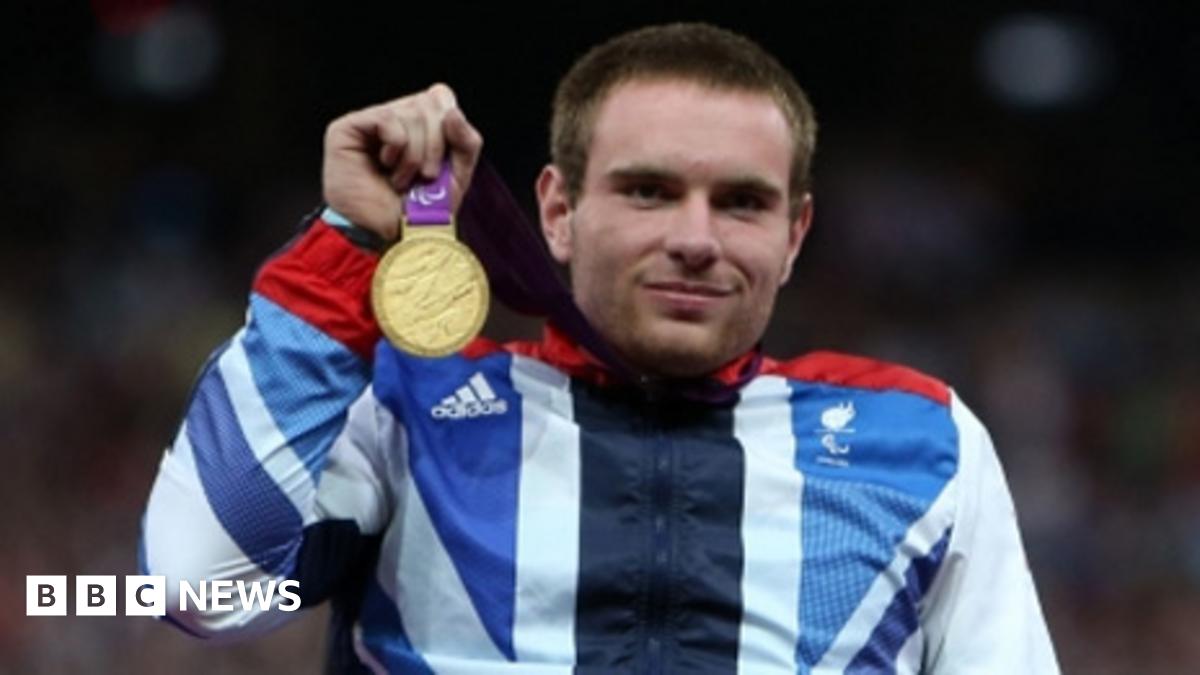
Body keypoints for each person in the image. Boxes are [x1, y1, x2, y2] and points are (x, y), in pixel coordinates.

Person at [140, 22, 1059, 674]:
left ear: (794, 233)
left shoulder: (926, 443)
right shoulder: (408, 414)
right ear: (557, 211)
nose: (698, 237)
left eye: (741, 201)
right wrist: (348, 243)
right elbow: (190, 589)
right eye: (650, 191)